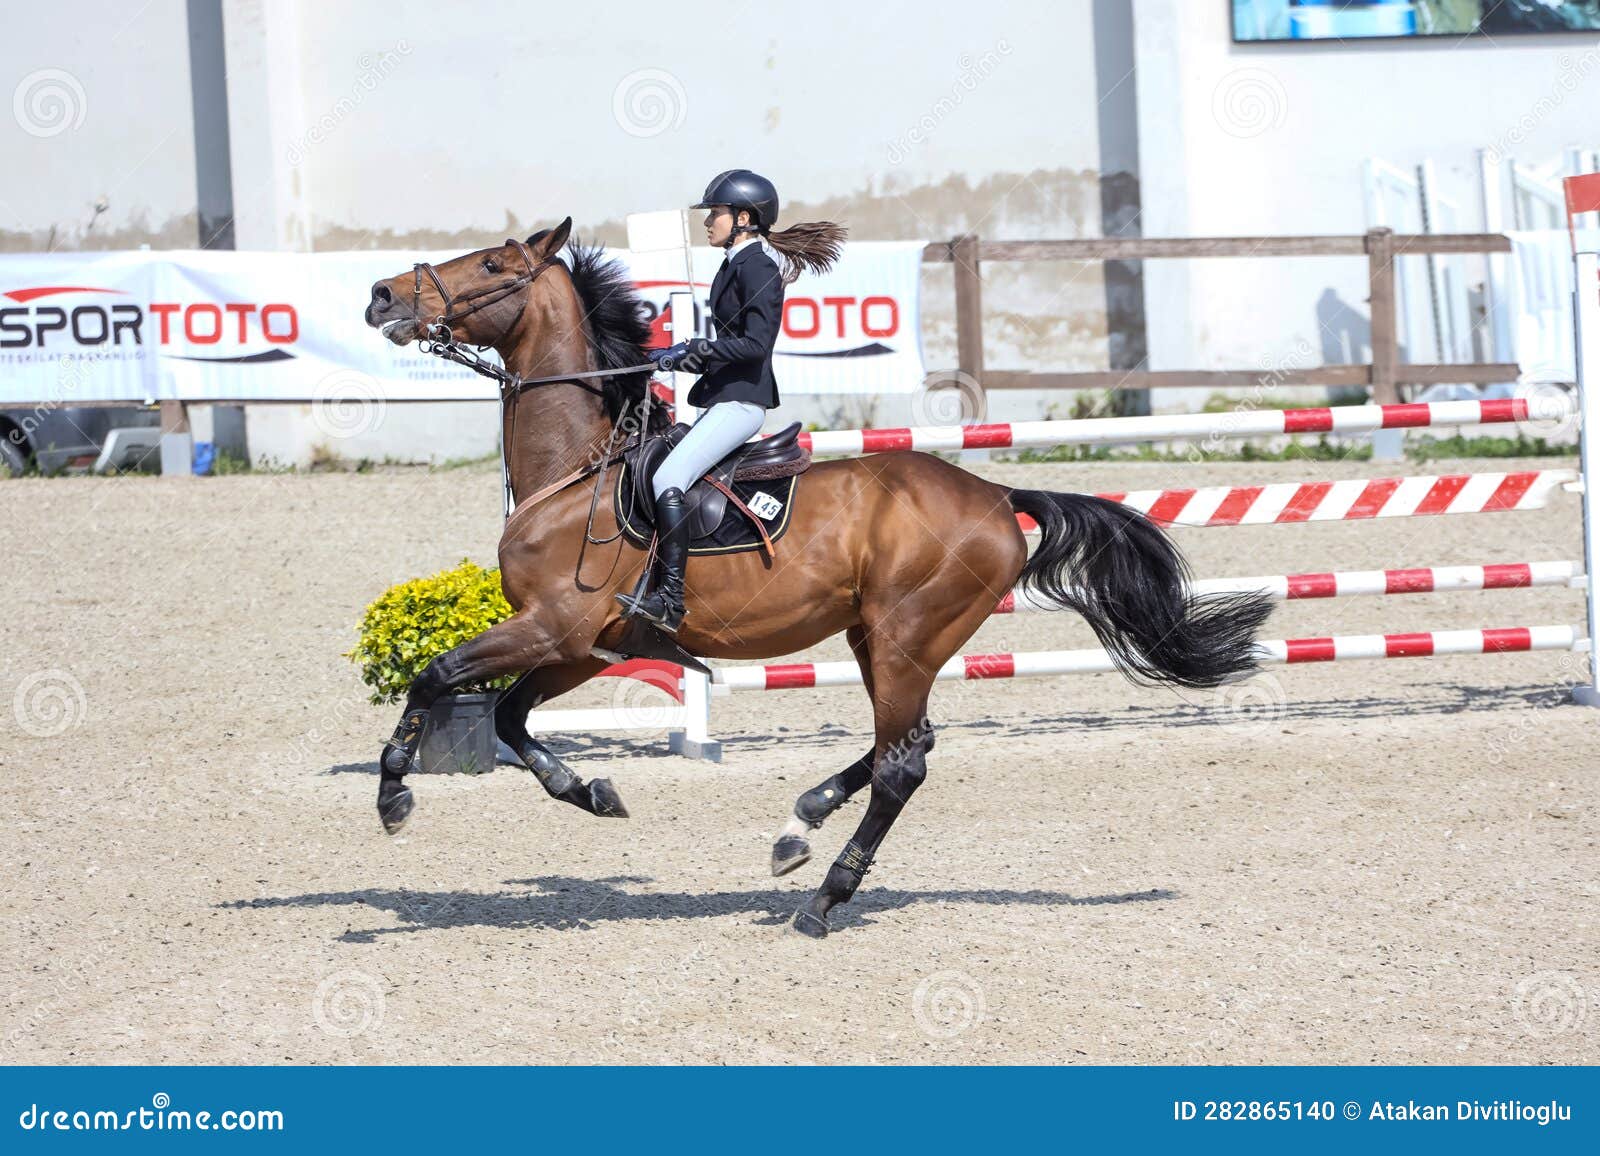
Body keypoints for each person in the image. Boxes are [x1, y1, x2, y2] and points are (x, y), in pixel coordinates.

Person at [617, 169, 846, 633]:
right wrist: (677, 357)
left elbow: (756, 346)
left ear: (744, 217)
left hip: (742, 403)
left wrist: (696, 348)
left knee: (669, 476)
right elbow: (731, 346)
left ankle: (671, 598)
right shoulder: (736, 262)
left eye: (716, 214)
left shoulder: (757, 265)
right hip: (724, 396)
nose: (708, 222)